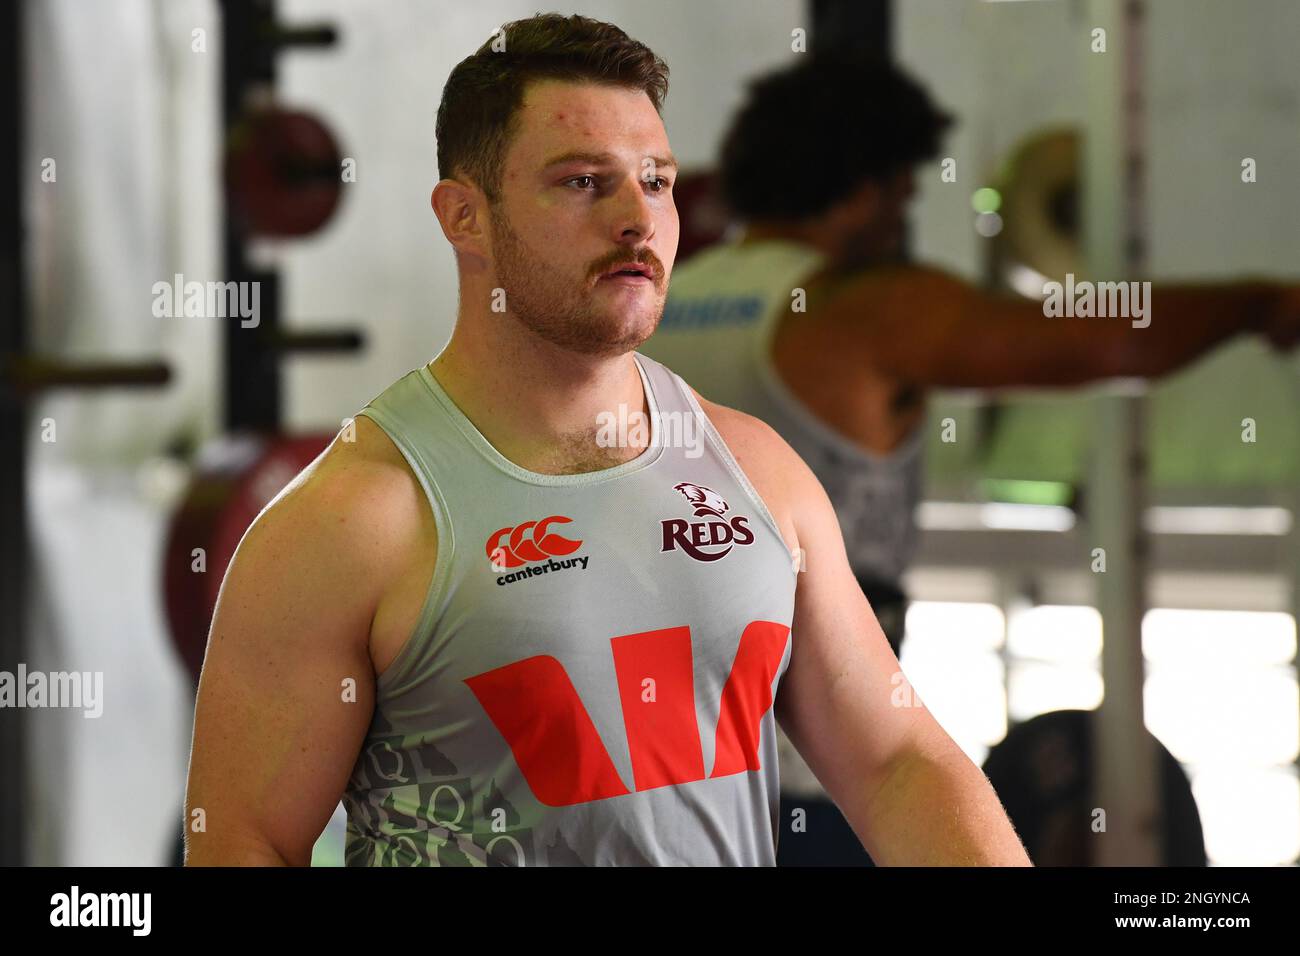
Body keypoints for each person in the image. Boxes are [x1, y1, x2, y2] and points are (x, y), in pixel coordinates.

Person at [183, 13, 1031, 867]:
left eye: (656, 181)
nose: (638, 218)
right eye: (584, 182)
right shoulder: (351, 521)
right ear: (464, 217)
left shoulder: (757, 472)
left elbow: (898, 763)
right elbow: (243, 846)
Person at [639, 55, 1300, 866]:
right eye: (903, 198)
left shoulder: (657, 305)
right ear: (865, 189)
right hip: (810, 783)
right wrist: (1254, 304)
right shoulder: (862, 305)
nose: (900, 224)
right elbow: (1102, 338)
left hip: (662, 775)